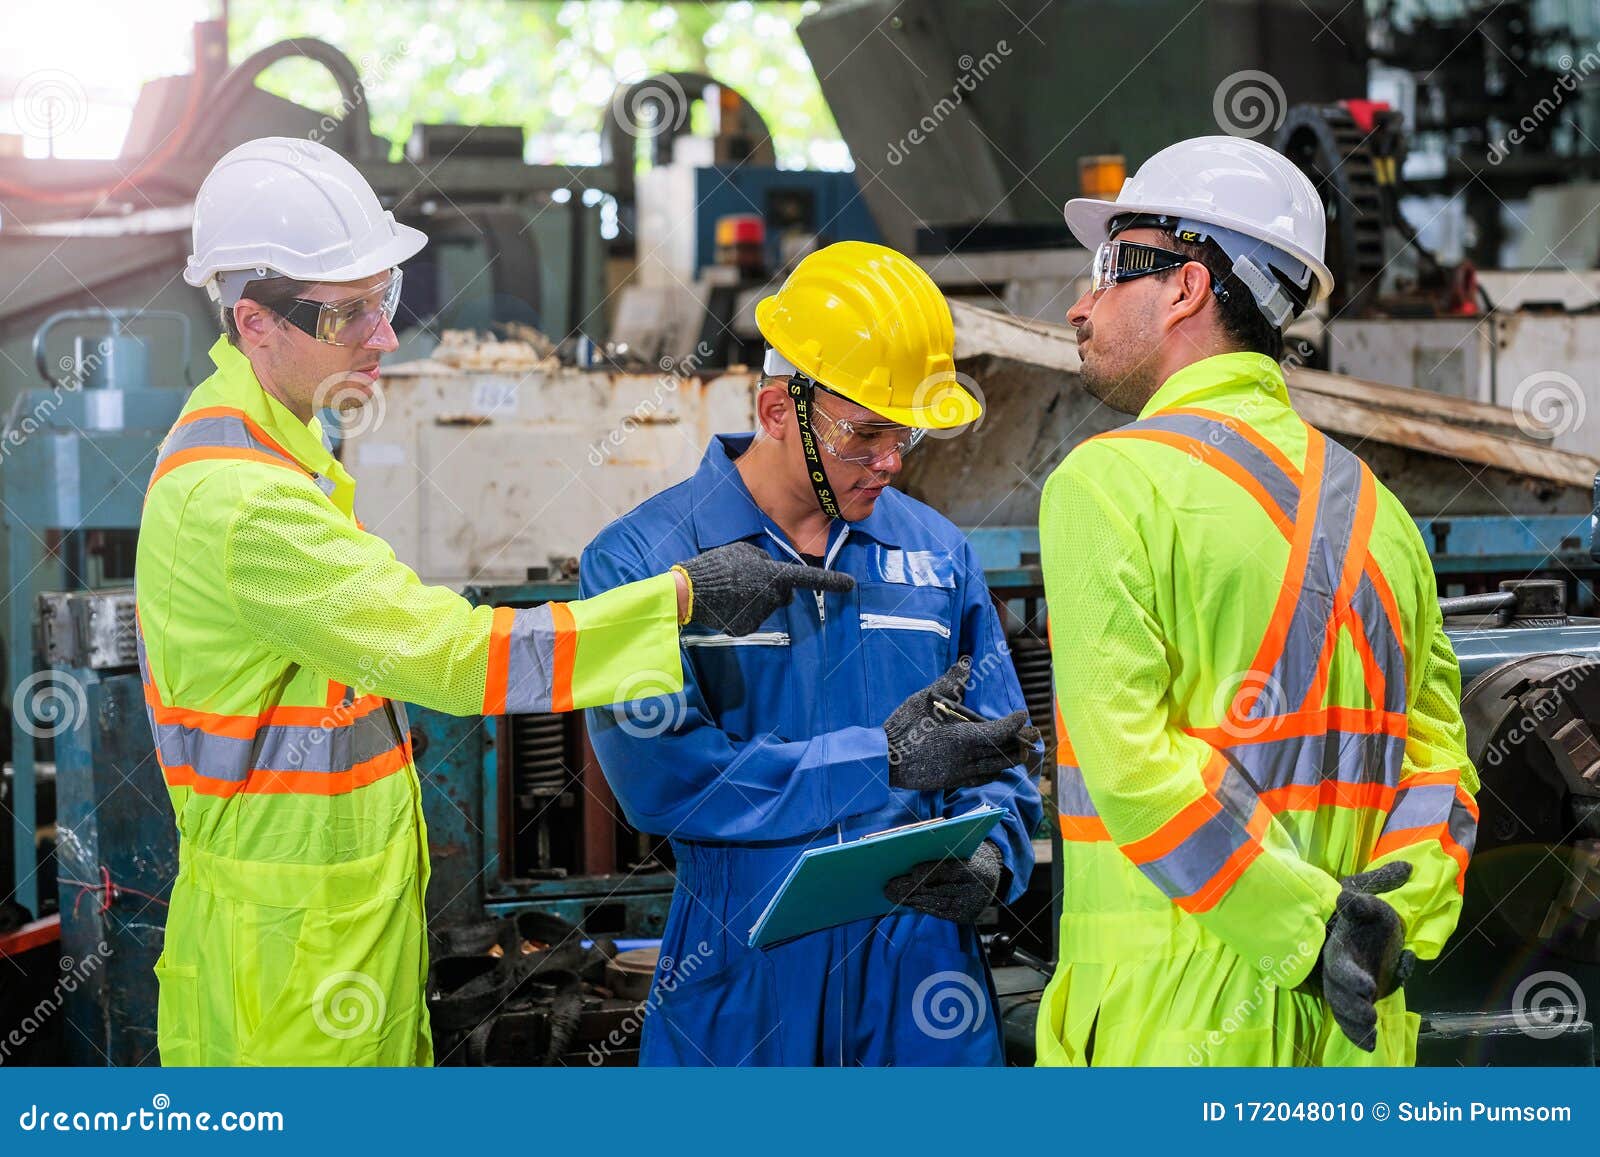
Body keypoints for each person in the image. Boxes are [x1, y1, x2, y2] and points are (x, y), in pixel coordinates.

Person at [138, 136, 846, 1066]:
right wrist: (680, 598)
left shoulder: (280, 451)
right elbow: (457, 657)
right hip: (288, 971)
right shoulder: (243, 500)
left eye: (383, 299)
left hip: (321, 934)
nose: (385, 335)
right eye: (351, 312)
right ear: (255, 320)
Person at [1035, 136, 1478, 1067]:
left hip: (1175, 1032)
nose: (1081, 304)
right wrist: (1385, 924)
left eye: (1108, 271)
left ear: (1187, 288)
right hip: (1358, 1038)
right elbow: (1442, 765)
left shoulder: (1106, 484)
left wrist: (1308, 931)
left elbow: (1130, 767)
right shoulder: (1379, 510)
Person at [582, 240, 1043, 1066]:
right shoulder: (643, 562)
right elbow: (664, 783)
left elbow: (998, 747)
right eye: (864, 436)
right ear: (773, 412)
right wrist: (884, 762)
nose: (892, 462)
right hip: (743, 966)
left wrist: (994, 855)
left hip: (922, 975)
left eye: (902, 435)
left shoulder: (938, 554)